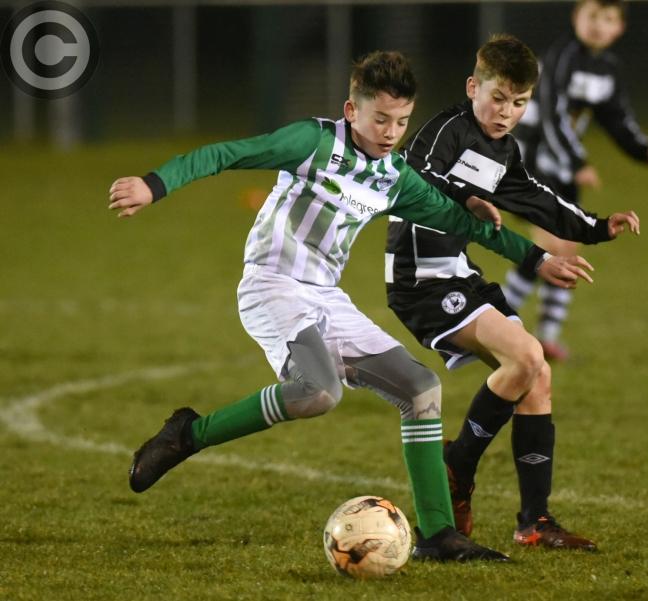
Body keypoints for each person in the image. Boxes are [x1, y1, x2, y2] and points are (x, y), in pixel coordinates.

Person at [107, 50, 588, 563]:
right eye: (380, 118)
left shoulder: (394, 176)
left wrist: (536, 257)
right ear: (351, 110)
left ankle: (438, 534)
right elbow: (227, 153)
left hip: (326, 297)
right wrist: (152, 185)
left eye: (402, 122)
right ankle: (188, 434)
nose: (390, 132)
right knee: (319, 392)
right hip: (272, 285)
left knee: (422, 389)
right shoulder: (312, 142)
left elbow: (463, 224)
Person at [385, 34, 640, 550]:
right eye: (498, 98)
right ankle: (457, 467)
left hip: (459, 271)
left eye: (519, 103)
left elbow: (534, 197)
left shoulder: (503, 149)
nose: (506, 113)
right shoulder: (448, 131)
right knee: (525, 356)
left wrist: (594, 225)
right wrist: (468, 202)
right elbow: (415, 179)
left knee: (537, 375)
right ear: (472, 87)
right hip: (420, 278)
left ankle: (534, 522)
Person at [503, 0, 648, 361]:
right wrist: (577, 161)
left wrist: (645, 151)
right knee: (550, 245)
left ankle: (545, 335)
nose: (599, 24)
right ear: (575, 17)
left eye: (608, 18)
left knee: (567, 248)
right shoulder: (562, 57)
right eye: (592, 15)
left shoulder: (607, 69)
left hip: (561, 164)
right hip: (529, 159)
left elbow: (617, 117)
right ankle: (500, 324)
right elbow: (550, 112)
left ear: (620, 28)